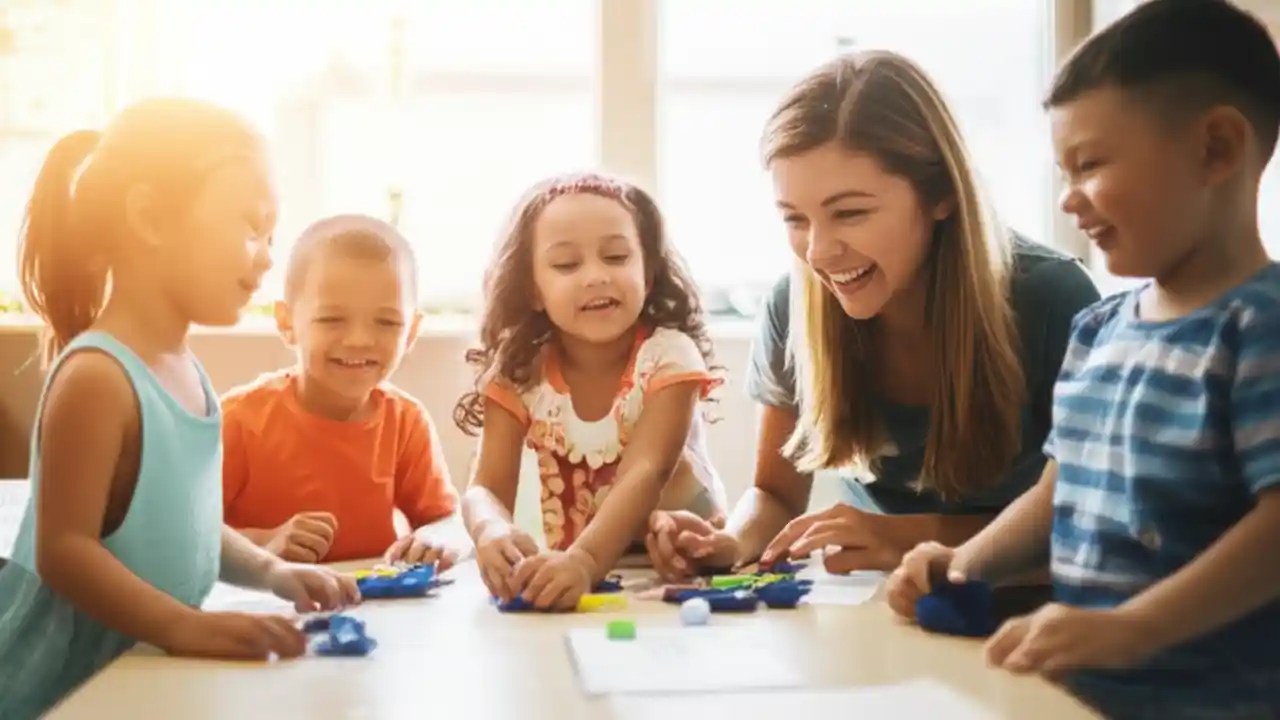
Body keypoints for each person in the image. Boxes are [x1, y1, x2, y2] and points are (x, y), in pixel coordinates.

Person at [886, 0, 1280, 715]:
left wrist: (1134, 630)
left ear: (1217, 148)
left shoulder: (1262, 329)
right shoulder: (1098, 329)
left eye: (1090, 164)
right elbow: (1055, 493)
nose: (1068, 200)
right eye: (1062, 171)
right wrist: (964, 565)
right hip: (1083, 699)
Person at [646, 50, 1100, 580]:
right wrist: (727, 542)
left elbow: (1087, 516)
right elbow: (774, 494)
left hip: (1027, 604)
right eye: (795, 219)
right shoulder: (791, 308)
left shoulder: (1052, 298)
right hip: (893, 602)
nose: (817, 251)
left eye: (851, 213)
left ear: (941, 195)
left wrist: (903, 535)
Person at [0, 98, 359, 720]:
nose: (268, 256)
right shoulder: (97, 378)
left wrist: (273, 571)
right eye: (251, 227)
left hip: (139, 674)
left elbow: (183, 526)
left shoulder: (186, 371)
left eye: (271, 235)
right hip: (60, 689)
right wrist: (186, 627)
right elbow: (65, 550)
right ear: (149, 217)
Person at [456, 171, 728, 610]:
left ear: (649, 272)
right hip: (585, 578)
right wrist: (491, 529)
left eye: (617, 257)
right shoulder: (521, 370)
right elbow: (484, 486)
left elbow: (647, 472)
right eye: (566, 265)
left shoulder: (670, 357)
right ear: (532, 290)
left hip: (681, 573)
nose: (597, 276)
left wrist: (583, 560)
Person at [221, 214, 466, 567]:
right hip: (268, 608)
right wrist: (265, 542)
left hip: (372, 608)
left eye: (387, 322)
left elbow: (447, 522)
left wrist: (439, 538)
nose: (360, 340)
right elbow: (187, 537)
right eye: (332, 319)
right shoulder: (239, 420)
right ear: (288, 323)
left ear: (410, 332)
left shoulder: (405, 421)